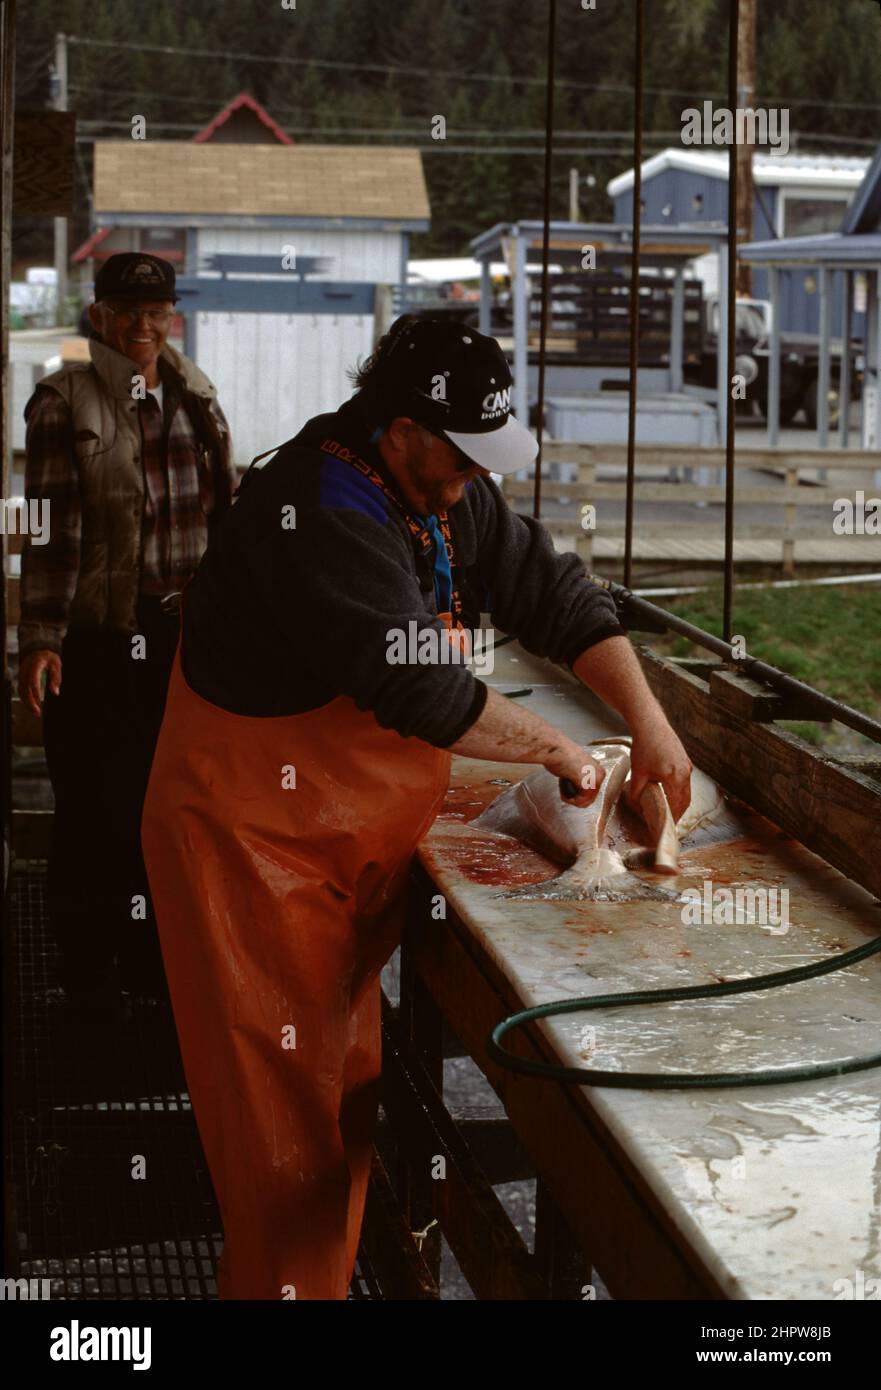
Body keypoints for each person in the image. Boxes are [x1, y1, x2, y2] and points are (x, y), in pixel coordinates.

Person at [141, 315, 692, 1299]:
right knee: (283, 1155)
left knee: (337, 1118)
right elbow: (426, 692)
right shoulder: (316, 506)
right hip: (247, 857)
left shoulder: (439, 492)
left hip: (331, 855)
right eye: (465, 456)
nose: (480, 477)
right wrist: (574, 759)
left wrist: (647, 722)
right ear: (401, 431)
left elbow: (554, 592)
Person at [18, 252, 239, 1018]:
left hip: (182, 637)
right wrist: (39, 638)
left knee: (168, 805)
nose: (143, 328)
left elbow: (225, 515)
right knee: (92, 807)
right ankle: (84, 978)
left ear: (170, 317)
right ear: (101, 316)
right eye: (128, 313)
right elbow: (47, 533)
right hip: (101, 639)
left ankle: (152, 969)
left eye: (157, 313)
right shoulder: (64, 401)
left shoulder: (193, 390)